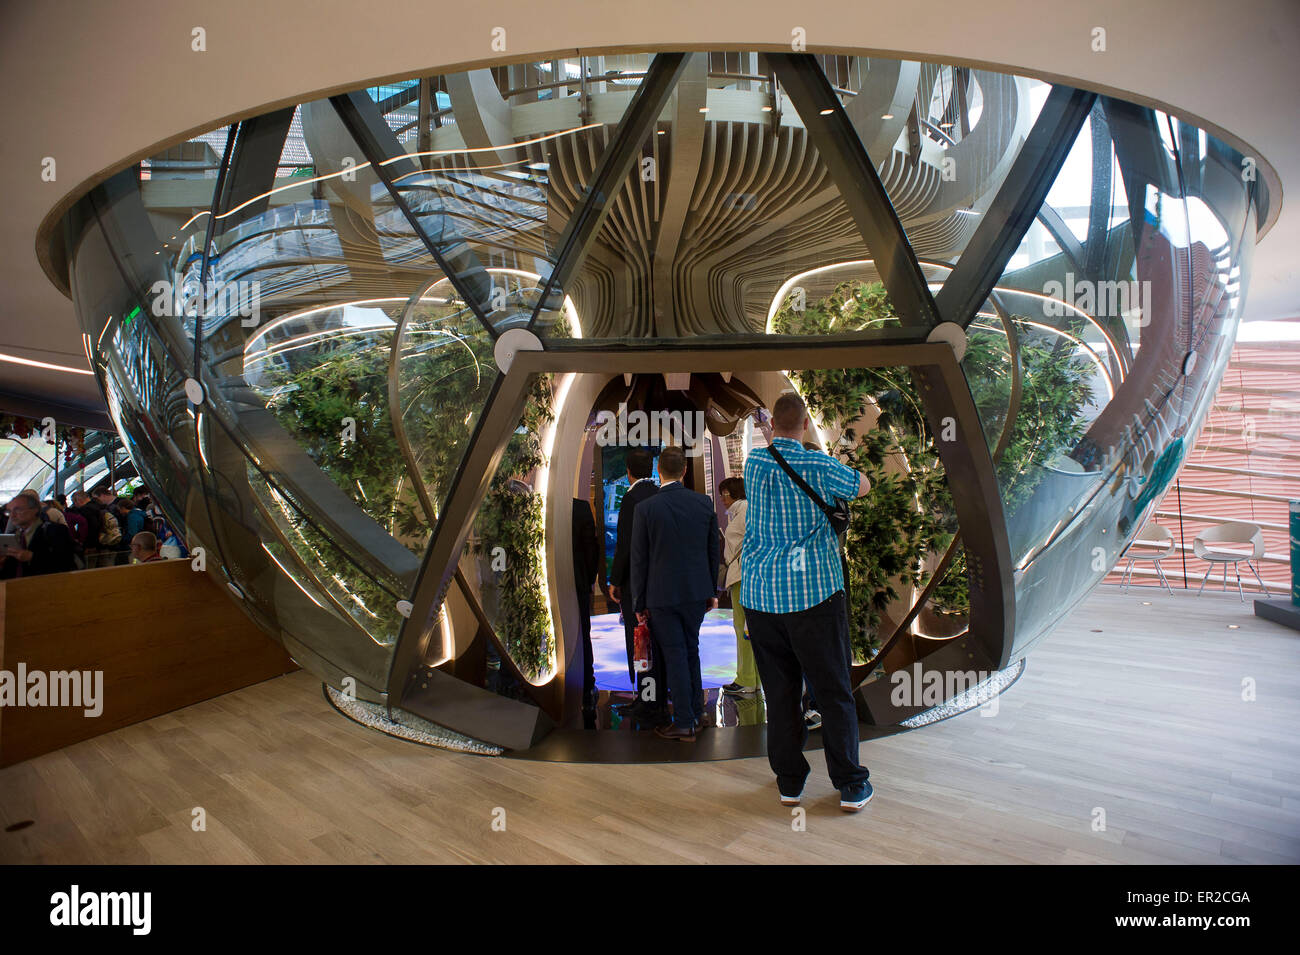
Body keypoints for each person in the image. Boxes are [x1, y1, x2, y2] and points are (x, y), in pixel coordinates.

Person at [740, 392, 875, 812]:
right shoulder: (817, 464)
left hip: (762, 597)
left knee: (780, 695)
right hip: (812, 596)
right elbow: (862, 487)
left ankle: (789, 782)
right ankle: (850, 785)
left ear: (774, 424)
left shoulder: (754, 463)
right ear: (805, 425)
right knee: (833, 691)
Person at [630, 445, 721, 741]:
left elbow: (640, 558)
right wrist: (711, 590)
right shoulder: (704, 503)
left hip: (661, 595)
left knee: (675, 655)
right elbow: (712, 551)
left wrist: (639, 601)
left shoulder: (646, 508)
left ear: (659, 471)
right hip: (696, 593)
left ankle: (684, 721)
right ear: (684, 471)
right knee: (691, 650)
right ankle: (696, 713)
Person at [606, 447, 668, 722]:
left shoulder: (631, 500)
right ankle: (657, 698)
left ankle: (646, 700)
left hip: (636, 586)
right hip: (662, 585)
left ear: (628, 472)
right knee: (658, 642)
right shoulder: (660, 495)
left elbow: (625, 545)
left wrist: (615, 580)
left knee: (640, 644)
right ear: (652, 469)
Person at [718, 477, 760, 697]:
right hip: (746, 576)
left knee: (742, 627)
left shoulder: (743, 513)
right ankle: (754, 678)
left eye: (723, 494)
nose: (722, 499)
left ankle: (746, 679)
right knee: (748, 629)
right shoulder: (747, 510)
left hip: (742, 577)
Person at [571, 497, 604, 728]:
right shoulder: (580, 508)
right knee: (582, 634)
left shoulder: (539, 504)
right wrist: (590, 580)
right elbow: (592, 549)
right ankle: (586, 689)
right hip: (579, 583)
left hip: (546, 585)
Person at [1, 492, 77, 579]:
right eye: (9, 512)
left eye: (18, 510)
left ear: (34, 510)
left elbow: (65, 562)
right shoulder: (14, 536)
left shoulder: (55, 530)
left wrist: (32, 557)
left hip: (46, 587)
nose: (12, 515)